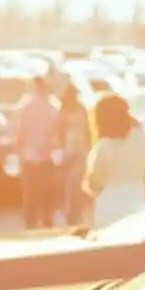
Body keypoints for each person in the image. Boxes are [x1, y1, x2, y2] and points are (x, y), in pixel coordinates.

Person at [83, 92, 145, 225]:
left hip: (111, 205)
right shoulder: (140, 139)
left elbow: (94, 184)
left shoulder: (103, 147)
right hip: (137, 198)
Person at [15, 76, 62, 228]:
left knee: (30, 194)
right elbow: (57, 133)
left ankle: (30, 224)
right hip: (46, 157)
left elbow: (19, 133)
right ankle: (47, 221)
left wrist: (20, 152)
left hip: (30, 157)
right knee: (47, 194)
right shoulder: (53, 107)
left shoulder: (25, 107)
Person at [57, 83, 92, 225]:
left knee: (76, 182)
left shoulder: (81, 110)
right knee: (70, 183)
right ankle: (71, 211)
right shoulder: (64, 111)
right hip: (70, 149)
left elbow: (88, 130)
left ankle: (75, 211)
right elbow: (60, 131)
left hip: (80, 148)